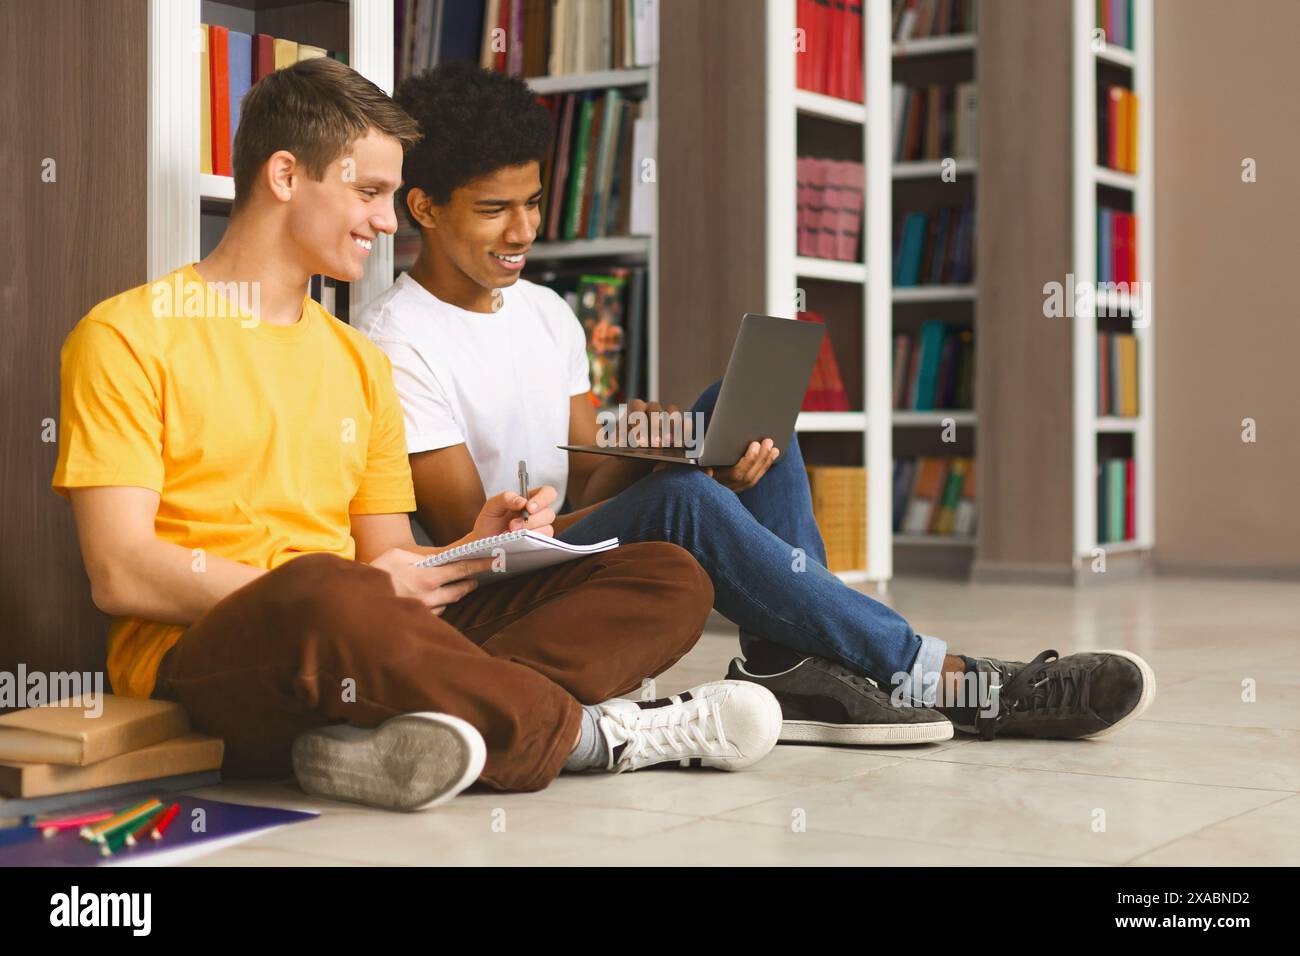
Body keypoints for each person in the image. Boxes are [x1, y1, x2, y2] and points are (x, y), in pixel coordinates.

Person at [51, 58, 782, 813]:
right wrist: (356, 589)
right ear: (284, 176)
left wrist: (474, 544)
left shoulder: (358, 363)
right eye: (368, 193)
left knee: (665, 576)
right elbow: (123, 571)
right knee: (321, 586)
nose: (389, 221)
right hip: (216, 656)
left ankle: (393, 729)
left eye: (393, 197)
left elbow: (385, 557)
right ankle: (587, 737)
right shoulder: (128, 337)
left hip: (365, 629)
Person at [356, 61, 1156, 747]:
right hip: (498, 588)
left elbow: (589, 481)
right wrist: (668, 490)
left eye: (532, 203)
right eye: (494, 210)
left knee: (722, 414)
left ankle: (787, 663)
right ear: (423, 208)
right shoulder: (398, 341)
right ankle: (949, 678)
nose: (523, 229)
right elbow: (482, 545)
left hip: (574, 544)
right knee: (678, 498)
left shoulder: (549, 312)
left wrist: (648, 445)